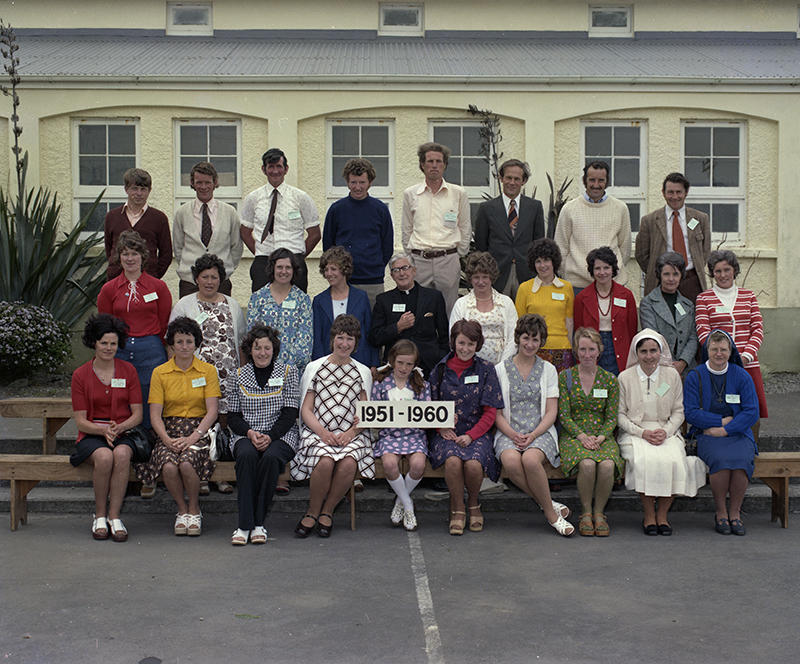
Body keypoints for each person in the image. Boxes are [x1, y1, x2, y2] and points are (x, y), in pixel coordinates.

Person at [617, 329, 707, 536]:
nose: (649, 356)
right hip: (635, 433)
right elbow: (620, 416)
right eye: (644, 351)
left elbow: (678, 411)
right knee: (644, 462)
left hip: (666, 430)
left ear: (661, 351)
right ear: (636, 353)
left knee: (674, 461)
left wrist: (666, 432)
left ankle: (663, 514)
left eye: (653, 351)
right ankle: (649, 514)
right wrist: (642, 433)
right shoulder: (625, 377)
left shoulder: (671, 375)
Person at [136, 317, 220, 537]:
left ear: (196, 344)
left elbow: (212, 411)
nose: (184, 346)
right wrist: (165, 439)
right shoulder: (160, 373)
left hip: (198, 430)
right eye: (179, 342)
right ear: (171, 345)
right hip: (169, 431)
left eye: (189, 342)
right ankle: (181, 510)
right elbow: (154, 415)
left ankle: (194, 509)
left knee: (186, 463)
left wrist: (193, 437)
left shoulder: (207, 371)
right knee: (169, 466)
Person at [170, 253, 246, 495]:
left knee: (223, 428)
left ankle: (222, 476)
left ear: (220, 279)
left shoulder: (232, 305)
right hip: (195, 379)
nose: (210, 281)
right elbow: (172, 343)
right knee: (200, 425)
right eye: (205, 277)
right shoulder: (184, 305)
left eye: (214, 277)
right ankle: (201, 475)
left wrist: (242, 375)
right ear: (196, 279)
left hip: (228, 378)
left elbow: (241, 342)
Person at [292, 315, 374, 538]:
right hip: (318, 432)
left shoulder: (363, 372)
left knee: (348, 463)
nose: (344, 343)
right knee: (325, 462)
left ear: (356, 342)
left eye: (350, 339)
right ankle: (312, 511)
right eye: (340, 337)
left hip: (352, 434)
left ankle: (327, 511)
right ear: (332, 339)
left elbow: (366, 413)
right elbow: (306, 409)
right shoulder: (315, 368)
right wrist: (323, 433)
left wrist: (350, 433)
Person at [494, 315, 574, 536]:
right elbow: (497, 413)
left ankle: (549, 513)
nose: (530, 344)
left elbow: (551, 412)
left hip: (540, 431)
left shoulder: (548, 369)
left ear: (542, 342)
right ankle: (549, 506)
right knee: (510, 461)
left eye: (535, 340)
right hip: (508, 431)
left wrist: (533, 434)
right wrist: (512, 433)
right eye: (526, 338)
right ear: (518, 338)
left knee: (530, 459)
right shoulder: (500, 369)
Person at [70, 314, 143, 542]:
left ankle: (115, 516)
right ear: (94, 342)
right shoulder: (80, 375)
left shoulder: (128, 370)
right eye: (104, 343)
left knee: (121, 454)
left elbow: (138, 414)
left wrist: (119, 428)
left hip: (124, 431)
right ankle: (100, 515)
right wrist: (103, 431)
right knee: (104, 458)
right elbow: (80, 421)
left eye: (113, 343)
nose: (109, 348)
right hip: (92, 433)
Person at [428, 319, 504, 535]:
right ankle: (458, 509)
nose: (465, 349)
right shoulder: (440, 369)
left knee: (473, 464)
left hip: (477, 433)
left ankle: (473, 503)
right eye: (461, 343)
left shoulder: (487, 370)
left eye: (471, 344)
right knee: (452, 461)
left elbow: (491, 412)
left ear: (477, 344)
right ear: (453, 342)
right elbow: (429, 406)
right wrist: (439, 428)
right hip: (445, 434)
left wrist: (471, 436)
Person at [226, 324, 299, 546]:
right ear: (250, 349)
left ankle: (257, 523)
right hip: (246, 434)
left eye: (267, 348)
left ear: (274, 350)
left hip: (280, 435)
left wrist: (270, 436)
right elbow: (233, 417)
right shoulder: (236, 376)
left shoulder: (288, 372)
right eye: (257, 348)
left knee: (270, 458)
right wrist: (250, 433)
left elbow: (290, 414)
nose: (262, 353)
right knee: (246, 456)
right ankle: (243, 525)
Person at [684, 330, 759, 535]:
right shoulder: (695, 376)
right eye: (714, 349)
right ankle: (721, 512)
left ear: (730, 350)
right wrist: (719, 421)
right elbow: (690, 412)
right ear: (707, 350)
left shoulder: (741, 375)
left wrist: (726, 430)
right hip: (706, 433)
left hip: (738, 433)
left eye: (723, 349)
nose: (719, 353)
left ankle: (735, 513)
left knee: (742, 461)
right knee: (721, 461)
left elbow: (752, 411)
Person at [97, 229, 171, 431]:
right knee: (119, 394)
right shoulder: (109, 289)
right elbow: (105, 325)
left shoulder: (158, 287)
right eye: (125, 254)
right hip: (120, 349)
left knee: (150, 396)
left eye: (134, 254)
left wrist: (158, 344)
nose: (130, 259)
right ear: (118, 257)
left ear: (143, 256)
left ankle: (148, 442)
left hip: (151, 349)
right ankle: (122, 438)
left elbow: (164, 322)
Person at [558, 327, 623, 537]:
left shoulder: (610, 380)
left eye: (591, 349)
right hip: (574, 434)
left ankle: (599, 513)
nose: (587, 354)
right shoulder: (565, 377)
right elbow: (564, 415)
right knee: (586, 464)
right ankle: (585, 512)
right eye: (582, 349)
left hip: (602, 435)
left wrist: (601, 437)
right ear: (576, 351)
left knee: (607, 465)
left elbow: (612, 416)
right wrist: (582, 437)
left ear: (599, 350)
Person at [695, 249, 768, 427]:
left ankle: (752, 446)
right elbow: (703, 332)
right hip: (718, 365)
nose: (723, 275)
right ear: (713, 274)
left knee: (751, 407)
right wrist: (722, 356)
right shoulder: (704, 298)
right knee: (722, 409)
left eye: (727, 270)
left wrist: (745, 356)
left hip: (747, 363)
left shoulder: (748, 296)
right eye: (718, 271)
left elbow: (757, 329)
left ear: (734, 270)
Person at [401, 142, 471, 314]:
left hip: (448, 259)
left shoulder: (458, 193)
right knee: (418, 308)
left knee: (449, 310)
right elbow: (406, 228)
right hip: (420, 260)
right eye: (430, 161)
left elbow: (464, 226)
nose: (434, 165)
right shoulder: (410, 194)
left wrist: (458, 253)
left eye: (439, 161)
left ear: (445, 165)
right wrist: (412, 254)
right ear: (422, 165)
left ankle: (448, 341)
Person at [240, 148, 320, 293]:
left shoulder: (301, 197)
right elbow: (245, 231)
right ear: (264, 169)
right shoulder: (253, 198)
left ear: (286, 169)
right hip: (263, 260)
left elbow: (314, 233)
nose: (275, 171)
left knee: (296, 306)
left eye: (279, 166)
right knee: (262, 306)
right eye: (271, 167)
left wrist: (297, 257)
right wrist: (260, 251)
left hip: (294, 261)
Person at [371, 340, 431, 532]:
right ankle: (408, 505)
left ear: (415, 365)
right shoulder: (381, 384)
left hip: (414, 435)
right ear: (392, 361)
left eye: (409, 364)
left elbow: (428, 414)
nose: (404, 368)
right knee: (389, 464)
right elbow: (372, 411)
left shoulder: (421, 385)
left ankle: (400, 502)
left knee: (418, 465)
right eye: (400, 363)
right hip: (390, 435)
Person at [322, 158, 394, 308]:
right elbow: (328, 246)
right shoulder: (337, 210)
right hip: (344, 280)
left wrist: (377, 266)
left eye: (362, 182)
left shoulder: (380, 209)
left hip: (373, 280)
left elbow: (387, 245)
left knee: (374, 325)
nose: (357, 187)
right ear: (347, 182)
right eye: (353, 182)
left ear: (370, 182)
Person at [368, 253, 449, 378]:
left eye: (405, 268)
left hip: (429, 364)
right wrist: (397, 327)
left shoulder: (434, 297)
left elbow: (444, 335)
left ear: (414, 270)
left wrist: (440, 359)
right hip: (396, 367)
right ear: (392, 276)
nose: (402, 273)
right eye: (396, 270)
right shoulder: (383, 300)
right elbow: (375, 337)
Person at [554, 160, 631, 291]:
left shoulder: (620, 208)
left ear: (607, 181)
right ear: (584, 181)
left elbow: (625, 248)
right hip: (577, 285)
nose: (596, 185)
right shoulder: (569, 209)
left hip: (612, 284)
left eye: (601, 180)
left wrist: (609, 273)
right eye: (592, 180)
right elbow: (561, 247)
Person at [473, 158, 545, 297]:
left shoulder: (534, 207)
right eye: (508, 178)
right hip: (497, 274)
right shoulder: (487, 208)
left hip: (526, 273)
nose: (512, 182)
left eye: (517, 179)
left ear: (523, 181)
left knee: (526, 316)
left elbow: (538, 243)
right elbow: (481, 246)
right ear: (501, 178)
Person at [172, 161, 243, 298]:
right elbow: (178, 247)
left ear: (215, 182)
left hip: (220, 282)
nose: (203, 187)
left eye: (207, 182)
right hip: (189, 282)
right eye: (199, 182)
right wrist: (189, 269)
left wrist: (224, 270)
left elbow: (236, 247)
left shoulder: (229, 212)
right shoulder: (182, 213)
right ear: (192, 183)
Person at [635, 172, 710, 302]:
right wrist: (659, 272)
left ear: (686, 192)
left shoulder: (700, 219)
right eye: (670, 192)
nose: (675, 197)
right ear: (663, 193)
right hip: (661, 283)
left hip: (691, 281)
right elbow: (642, 255)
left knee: (692, 320)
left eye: (678, 192)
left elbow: (705, 251)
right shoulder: (649, 221)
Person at [247, 248, 313, 375]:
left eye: (288, 267)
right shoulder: (258, 298)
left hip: (293, 372)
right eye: (279, 267)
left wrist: (285, 367)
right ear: (272, 268)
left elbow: (305, 339)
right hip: (263, 368)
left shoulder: (302, 300)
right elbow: (252, 335)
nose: (284, 271)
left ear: (294, 270)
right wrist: (266, 363)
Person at [573, 246, 637, 376]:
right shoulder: (581, 298)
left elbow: (632, 330)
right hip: (591, 349)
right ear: (592, 271)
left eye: (606, 267)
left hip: (618, 347)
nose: (602, 272)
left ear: (613, 269)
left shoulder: (626, 295)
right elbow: (578, 331)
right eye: (597, 268)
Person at [312, 246, 378, 367]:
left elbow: (369, 332)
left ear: (344, 270)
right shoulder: (319, 301)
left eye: (333, 269)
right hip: (328, 363)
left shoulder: (361, 297)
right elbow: (317, 338)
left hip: (358, 361)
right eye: (326, 270)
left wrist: (373, 363)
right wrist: (319, 364)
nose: (329, 274)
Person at [514, 238, 575, 372]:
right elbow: (519, 324)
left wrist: (571, 349)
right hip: (534, 349)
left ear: (554, 261)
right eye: (538, 261)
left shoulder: (567, 287)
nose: (543, 265)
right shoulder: (524, 288)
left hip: (562, 349)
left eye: (546, 260)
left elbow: (569, 322)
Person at [449, 252, 517, 365]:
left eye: (485, 277)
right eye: (476, 277)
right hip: (469, 367)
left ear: (492, 277)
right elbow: (454, 337)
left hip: (502, 366)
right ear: (470, 278)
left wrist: (502, 366)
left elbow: (513, 338)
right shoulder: (461, 304)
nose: (481, 282)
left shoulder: (506, 303)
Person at [104, 168, 172, 280]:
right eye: (134, 189)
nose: (139, 193)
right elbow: (109, 249)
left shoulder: (159, 218)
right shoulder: (112, 217)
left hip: (148, 280)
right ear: (126, 189)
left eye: (143, 189)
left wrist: (153, 276)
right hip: (116, 279)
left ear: (149, 190)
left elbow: (166, 254)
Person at [639, 251, 698, 376]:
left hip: (687, 369)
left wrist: (682, 362)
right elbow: (652, 336)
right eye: (666, 274)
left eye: (675, 274)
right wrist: (669, 364)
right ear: (659, 275)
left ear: (681, 276)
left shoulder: (688, 305)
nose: (671, 279)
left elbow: (693, 337)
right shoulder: (648, 303)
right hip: (659, 368)